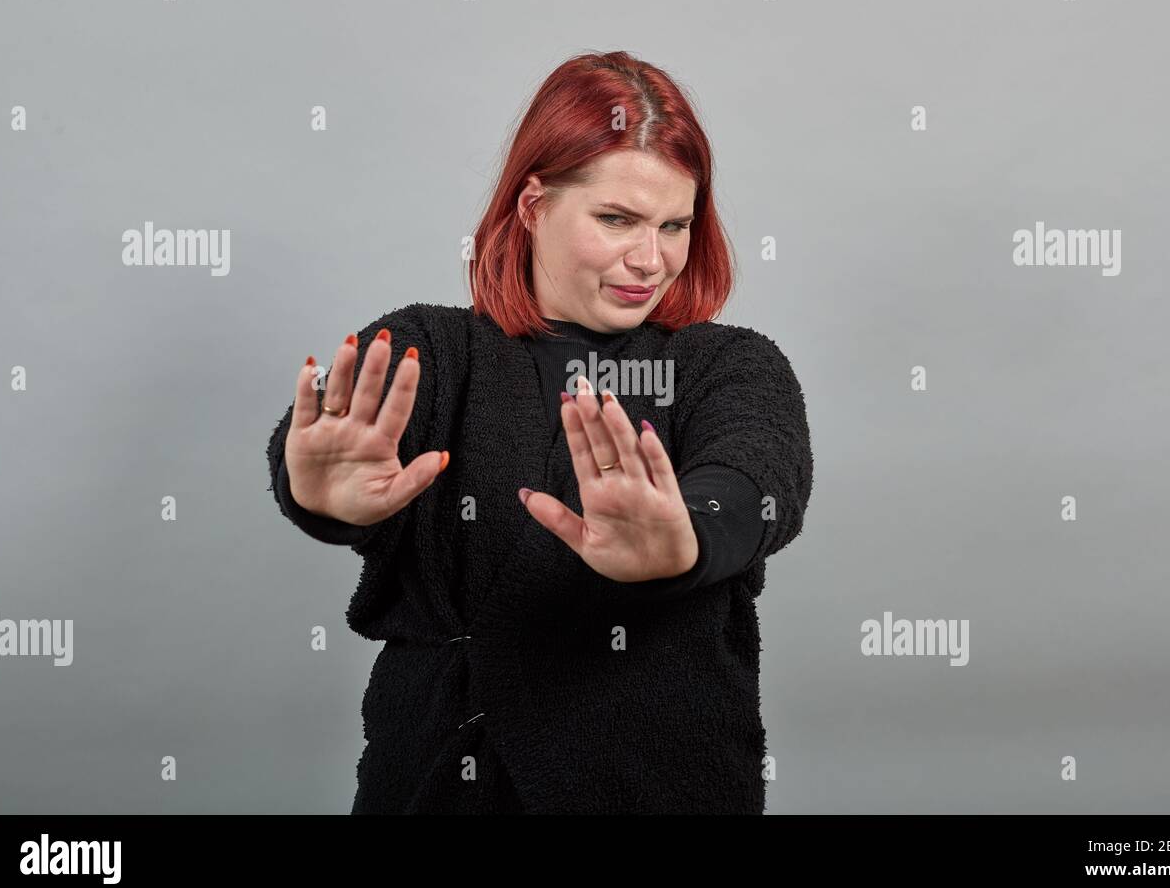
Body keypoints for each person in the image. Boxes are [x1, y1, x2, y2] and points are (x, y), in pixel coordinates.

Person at [265, 51, 814, 813]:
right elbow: (334, 436)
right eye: (616, 220)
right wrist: (319, 492)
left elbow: (756, 476)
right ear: (533, 205)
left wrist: (686, 537)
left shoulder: (728, 364)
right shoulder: (431, 349)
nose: (649, 259)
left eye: (675, 225)